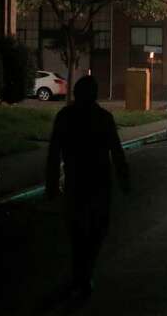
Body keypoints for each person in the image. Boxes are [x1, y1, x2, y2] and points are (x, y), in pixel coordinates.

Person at [46, 75, 130, 297]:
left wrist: (52, 183)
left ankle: (79, 272)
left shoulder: (65, 117)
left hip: (76, 181)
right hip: (99, 182)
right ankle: (85, 272)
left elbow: (54, 153)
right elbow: (117, 152)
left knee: (77, 231)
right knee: (97, 230)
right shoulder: (103, 118)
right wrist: (124, 179)